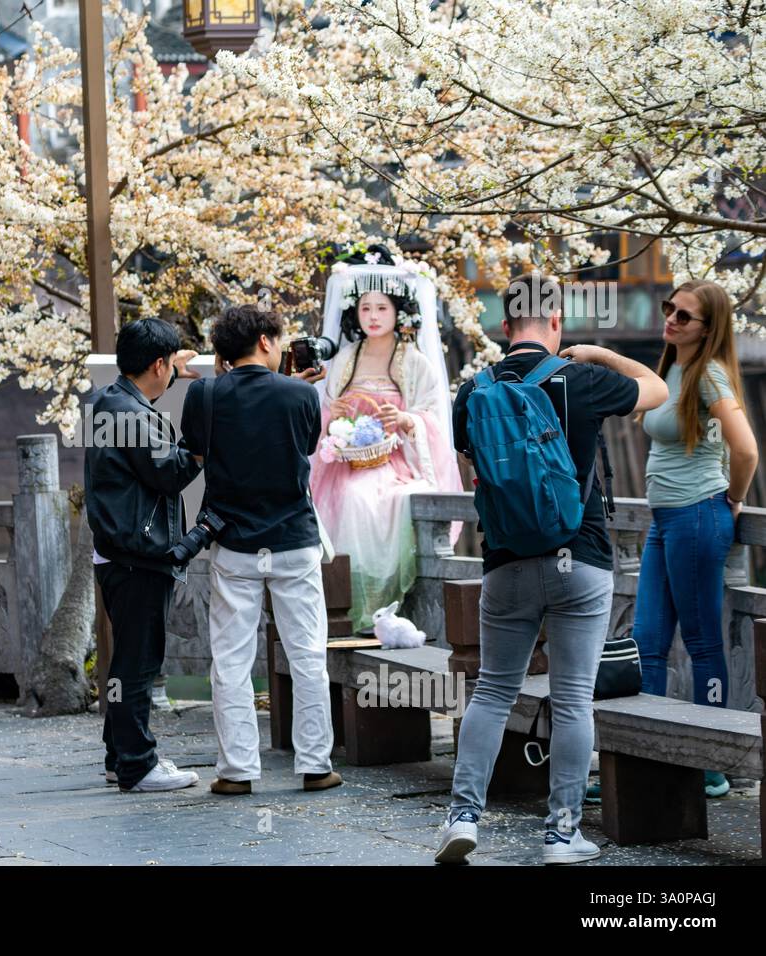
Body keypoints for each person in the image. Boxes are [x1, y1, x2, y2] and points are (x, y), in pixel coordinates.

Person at [436, 274, 667, 865]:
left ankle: (462, 816)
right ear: (556, 322)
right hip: (579, 556)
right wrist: (598, 354)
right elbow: (657, 389)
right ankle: (562, 832)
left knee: (491, 691)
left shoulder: (473, 392)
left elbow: (478, 466)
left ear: (503, 326)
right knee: (572, 701)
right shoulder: (581, 379)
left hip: (506, 561)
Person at [181, 304, 339, 795]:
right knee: (307, 653)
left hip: (233, 542)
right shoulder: (300, 394)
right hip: (293, 538)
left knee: (230, 659)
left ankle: (236, 771)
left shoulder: (203, 394)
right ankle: (315, 765)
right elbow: (307, 448)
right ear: (267, 343)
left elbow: (198, 449)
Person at [633, 279, 758, 799]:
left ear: (709, 329)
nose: (672, 320)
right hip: (664, 522)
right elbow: (638, 383)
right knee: (647, 641)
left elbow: (746, 448)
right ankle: (643, 754)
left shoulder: (708, 375)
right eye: (670, 309)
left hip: (698, 516)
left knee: (703, 643)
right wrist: (596, 355)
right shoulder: (674, 368)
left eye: (684, 316)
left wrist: (731, 499)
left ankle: (710, 764)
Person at [309, 253, 463, 631]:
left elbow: (431, 417)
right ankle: (344, 607)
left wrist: (407, 419)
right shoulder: (345, 358)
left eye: (382, 307)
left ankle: (381, 607)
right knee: (350, 499)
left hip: (395, 461)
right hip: (346, 461)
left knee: (379, 500)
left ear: (398, 312)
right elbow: (325, 410)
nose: (373, 316)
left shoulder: (415, 361)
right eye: (365, 308)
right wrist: (337, 414)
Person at [85, 318, 203, 792]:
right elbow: (171, 473)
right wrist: (199, 438)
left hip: (120, 552)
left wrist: (176, 373)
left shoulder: (112, 402)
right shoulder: (132, 414)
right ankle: (138, 764)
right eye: (170, 364)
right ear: (157, 364)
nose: (174, 372)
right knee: (139, 662)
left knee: (128, 659)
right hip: (137, 554)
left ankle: (120, 757)